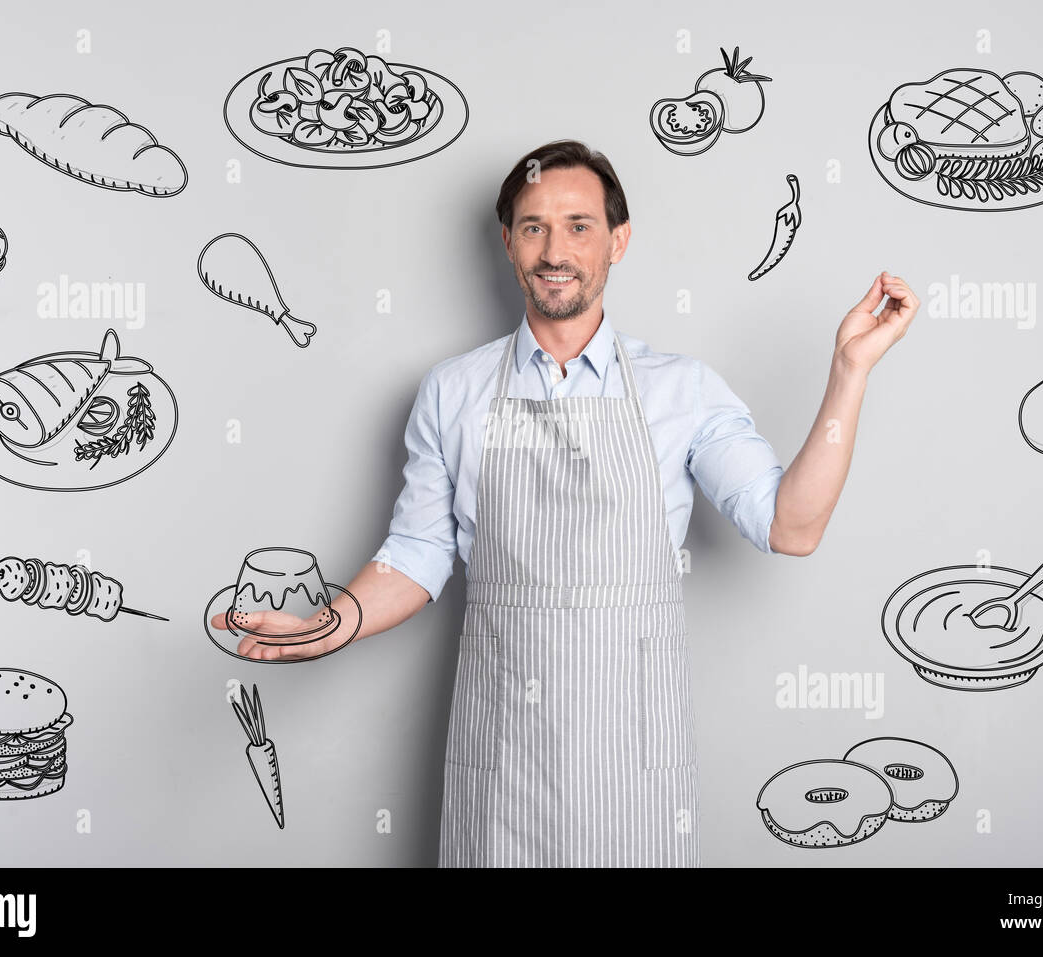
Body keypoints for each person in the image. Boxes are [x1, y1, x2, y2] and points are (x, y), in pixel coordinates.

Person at [212, 140, 919, 867]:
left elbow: (791, 526)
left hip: (636, 767)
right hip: (503, 769)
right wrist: (331, 625)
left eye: (579, 225)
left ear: (619, 240)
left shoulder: (684, 390)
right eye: (533, 226)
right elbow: (418, 553)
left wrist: (849, 370)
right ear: (508, 243)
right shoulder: (453, 391)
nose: (556, 249)